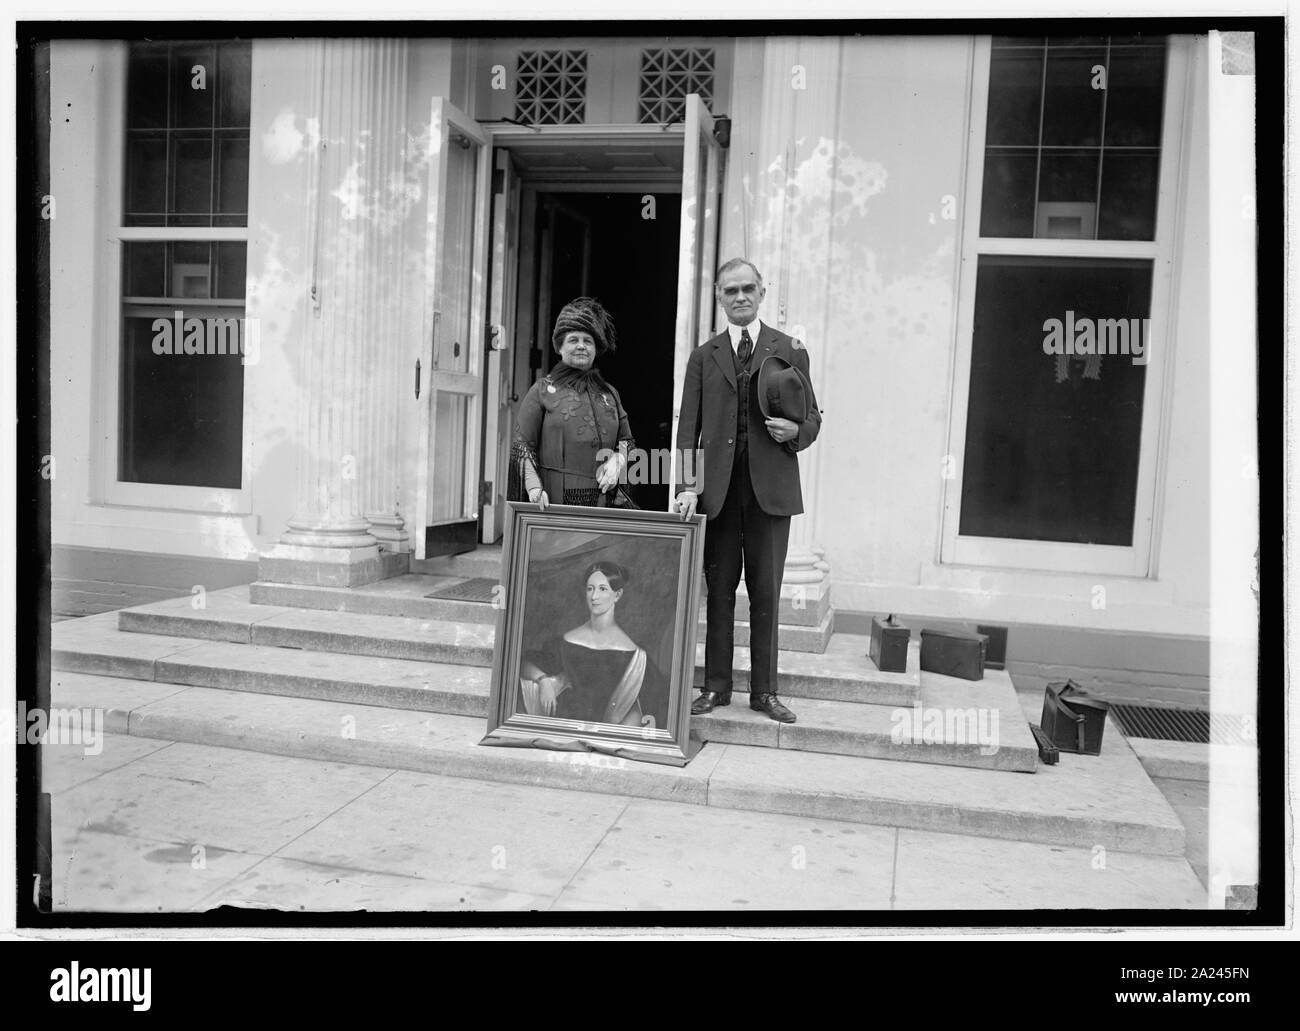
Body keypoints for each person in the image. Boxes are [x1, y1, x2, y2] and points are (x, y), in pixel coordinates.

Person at [674, 258, 822, 724]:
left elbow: (814, 417)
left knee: (766, 592)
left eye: (747, 289)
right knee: (718, 590)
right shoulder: (703, 356)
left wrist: (792, 431)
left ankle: (765, 692)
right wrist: (686, 488)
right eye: (730, 291)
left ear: (761, 292)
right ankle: (716, 687)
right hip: (717, 494)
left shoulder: (789, 349)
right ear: (719, 297)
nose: (739, 297)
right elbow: (687, 431)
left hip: (770, 492)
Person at [511, 297, 632, 509]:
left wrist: (618, 461)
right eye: (573, 340)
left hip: (603, 503)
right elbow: (522, 446)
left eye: (588, 341)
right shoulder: (541, 390)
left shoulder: (609, 394)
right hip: (553, 503)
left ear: (596, 348)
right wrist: (534, 489)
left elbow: (627, 441)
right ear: (560, 347)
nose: (581, 346)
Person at [518, 561, 667, 729]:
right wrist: (543, 681)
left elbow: (643, 709)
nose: (594, 596)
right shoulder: (565, 642)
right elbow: (525, 665)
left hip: (607, 736)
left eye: (602, 589)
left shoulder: (635, 657)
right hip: (562, 728)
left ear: (617, 595)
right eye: (590, 588)